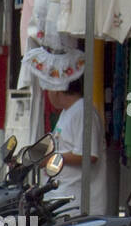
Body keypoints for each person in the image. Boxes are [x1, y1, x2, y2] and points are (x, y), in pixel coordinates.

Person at [47, 79, 109, 216]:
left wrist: (53, 159)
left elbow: (89, 154)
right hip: (63, 195)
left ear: (57, 89)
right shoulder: (67, 112)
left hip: (78, 203)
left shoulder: (83, 112)